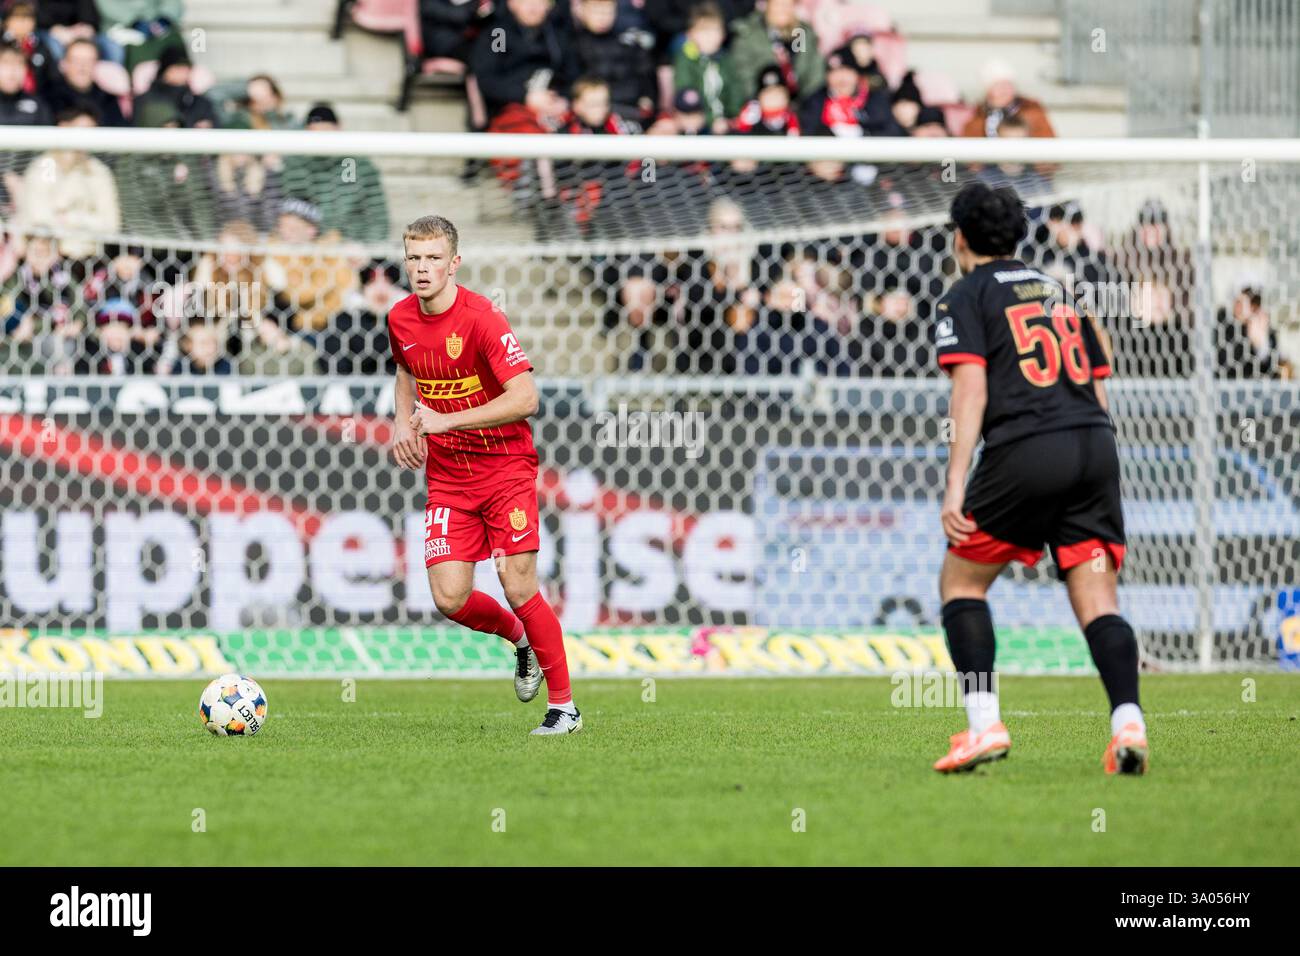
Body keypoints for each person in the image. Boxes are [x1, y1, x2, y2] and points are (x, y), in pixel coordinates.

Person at [931, 181, 1146, 775]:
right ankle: (1129, 724)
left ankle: (983, 727)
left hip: (1026, 449)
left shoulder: (965, 296)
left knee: (963, 583)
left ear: (961, 237)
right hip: (1094, 445)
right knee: (1099, 601)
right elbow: (1100, 376)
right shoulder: (1061, 291)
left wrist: (956, 482)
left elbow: (970, 390)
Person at [387, 215, 581, 736]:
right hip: (449, 477)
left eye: (432, 259)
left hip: (505, 470)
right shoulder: (399, 319)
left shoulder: (482, 318)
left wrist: (444, 419)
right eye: (413, 258)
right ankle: (521, 641)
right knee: (449, 597)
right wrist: (403, 421)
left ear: (454, 264)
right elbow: (405, 369)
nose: (421, 268)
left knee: (518, 584)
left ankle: (564, 708)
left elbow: (526, 398)